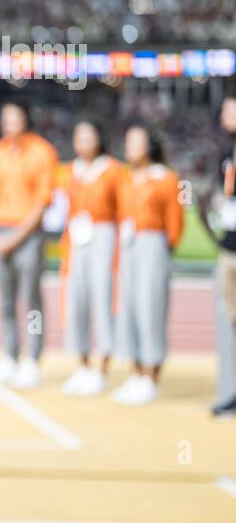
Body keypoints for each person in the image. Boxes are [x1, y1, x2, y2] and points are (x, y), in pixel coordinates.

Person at [0, 102, 59, 389]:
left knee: (31, 300)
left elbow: (42, 203)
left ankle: (32, 360)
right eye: (5, 117)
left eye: (14, 117)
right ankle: (10, 356)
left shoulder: (42, 152)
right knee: (6, 301)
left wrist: (13, 238)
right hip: (0, 234)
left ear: (26, 119)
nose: (8, 122)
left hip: (29, 236)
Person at [112, 125, 184, 406]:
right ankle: (136, 371)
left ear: (149, 146)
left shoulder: (166, 178)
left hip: (153, 243)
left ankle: (152, 375)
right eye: (128, 141)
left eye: (136, 142)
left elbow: (175, 220)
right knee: (129, 306)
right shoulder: (126, 179)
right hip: (128, 243)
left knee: (150, 308)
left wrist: (165, 247)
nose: (130, 147)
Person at [59, 119, 121, 396]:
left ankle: (102, 366)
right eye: (79, 136)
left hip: (103, 235)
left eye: (88, 136)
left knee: (102, 298)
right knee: (77, 299)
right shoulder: (68, 171)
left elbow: (123, 209)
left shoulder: (113, 171)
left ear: (99, 139)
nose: (83, 142)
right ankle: (82, 364)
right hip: (76, 236)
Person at [200, 94, 236, 418]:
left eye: (230, 109)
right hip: (229, 249)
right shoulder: (226, 154)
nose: (225, 115)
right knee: (233, 321)